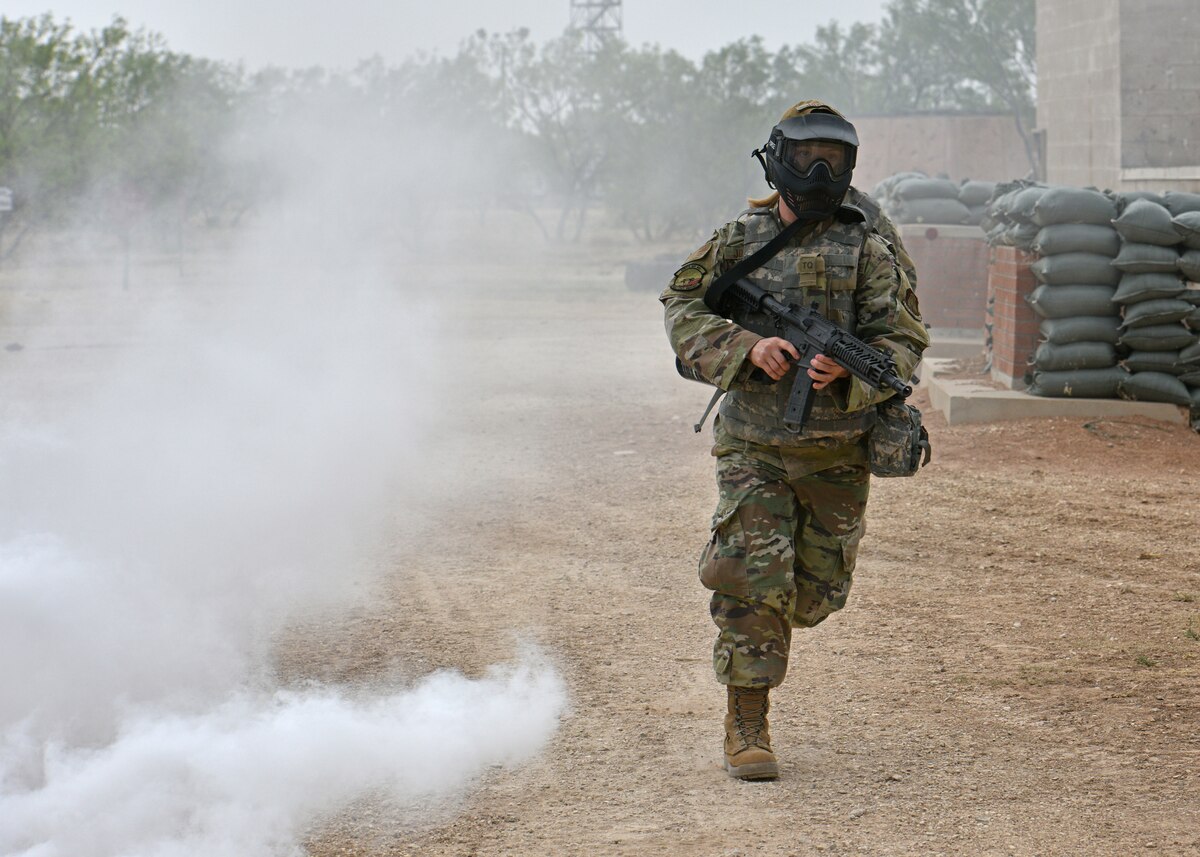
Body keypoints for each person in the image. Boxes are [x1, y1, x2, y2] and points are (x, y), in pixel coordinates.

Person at [660, 100, 929, 781]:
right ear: (777, 159)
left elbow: (901, 343)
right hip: (755, 446)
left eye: (833, 161)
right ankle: (747, 720)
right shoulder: (740, 239)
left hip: (838, 453)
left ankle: (767, 609)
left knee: (813, 593)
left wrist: (850, 370)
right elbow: (682, 303)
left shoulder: (869, 245)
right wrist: (746, 347)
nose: (818, 172)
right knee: (757, 583)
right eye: (809, 158)